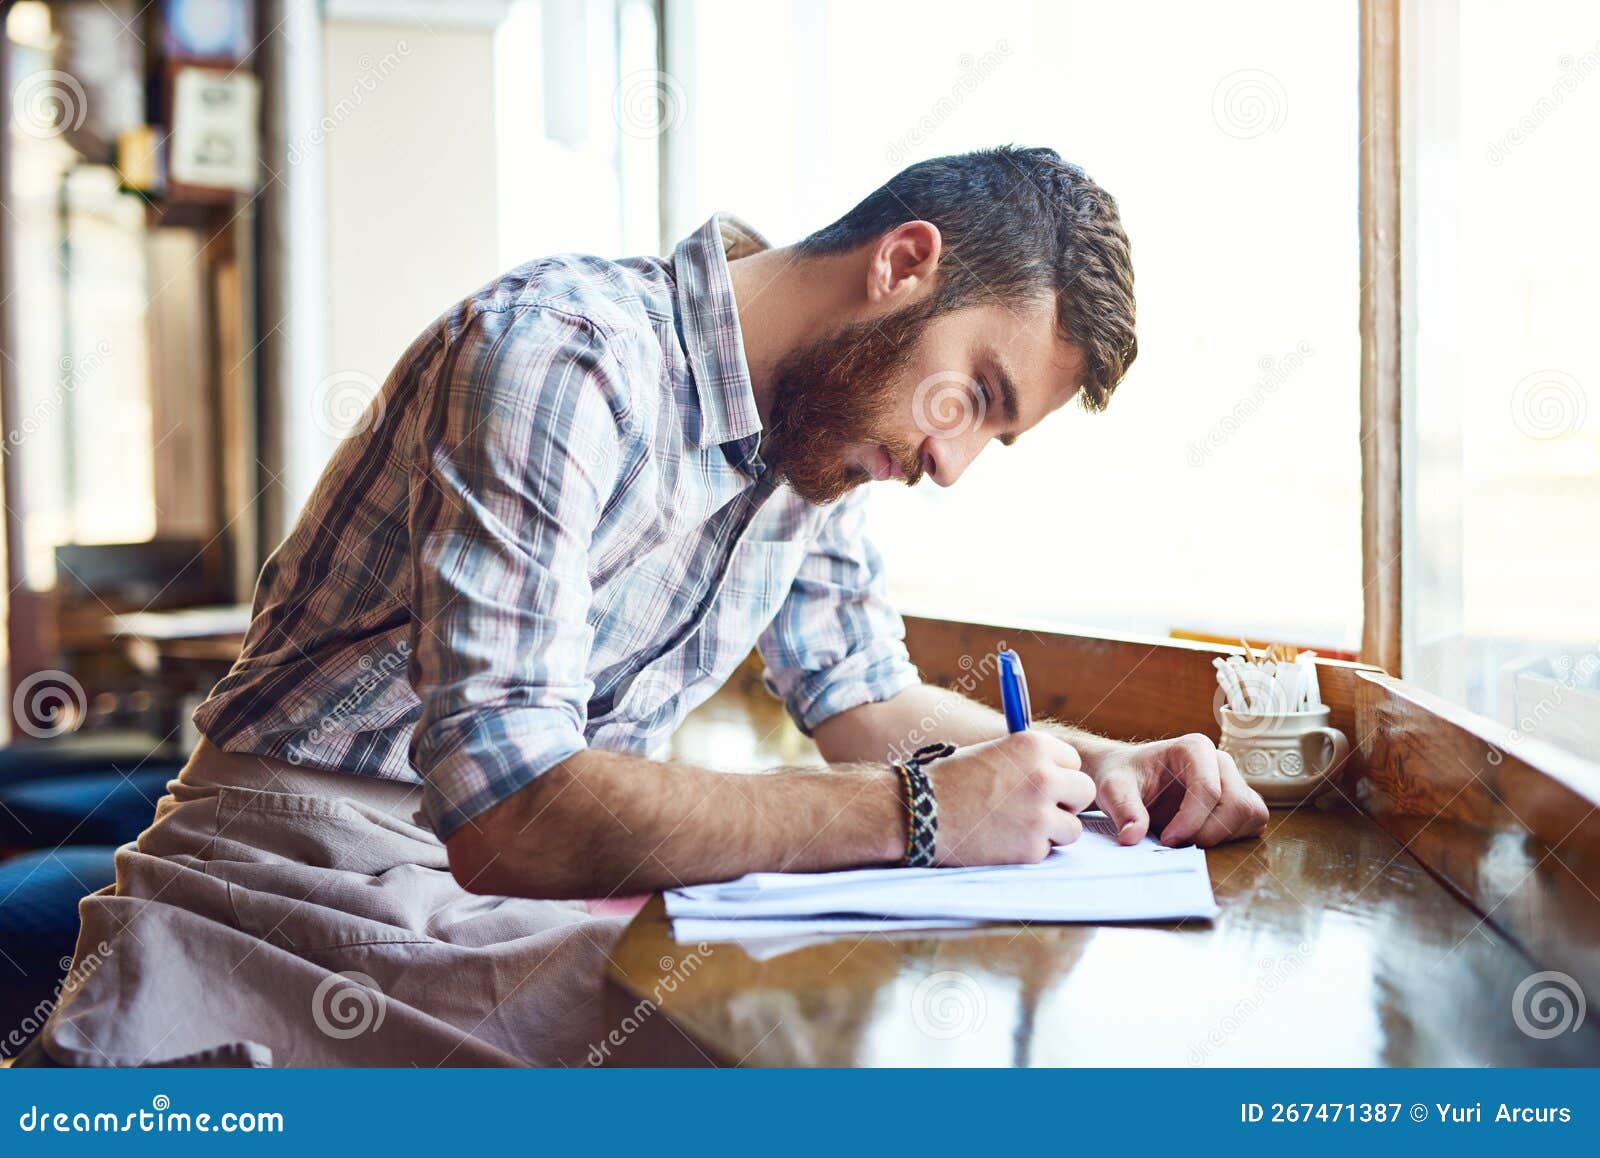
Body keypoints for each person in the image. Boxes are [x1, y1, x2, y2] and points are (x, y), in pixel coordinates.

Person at [28, 146, 1265, 1068]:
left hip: (494, 904)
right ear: (901, 267)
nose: (952, 463)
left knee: (771, 1047)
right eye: (975, 397)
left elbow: (867, 702)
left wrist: (1107, 766)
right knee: (758, 1065)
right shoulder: (561, 357)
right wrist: (926, 810)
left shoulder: (818, 442)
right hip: (293, 883)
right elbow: (507, 811)